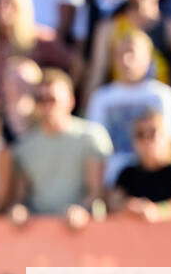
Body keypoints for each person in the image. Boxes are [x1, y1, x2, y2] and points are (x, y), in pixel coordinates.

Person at [11, 68, 113, 229]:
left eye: (52, 99)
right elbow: (20, 197)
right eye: (40, 99)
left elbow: (96, 192)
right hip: (38, 233)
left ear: (71, 101)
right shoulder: (25, 146)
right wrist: (19, 211)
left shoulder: (91, 137)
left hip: (81, 232)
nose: (46, 106)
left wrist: (81, 210)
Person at [84, 29, 171, 184]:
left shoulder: (162, 94)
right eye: (120, 54)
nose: (126, 60)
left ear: (148, 58)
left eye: (131, 53)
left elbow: (169, 143)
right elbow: (94, 148)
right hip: (110, 180)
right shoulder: (100, 98)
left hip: (153, 176)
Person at [109, 108, 171, 222]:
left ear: (166, 136)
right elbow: (113, 202)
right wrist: (130, 206)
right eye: (140, 134)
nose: (147, 139)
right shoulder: (128, 173)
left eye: (153, 133)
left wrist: (158, 211)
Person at [1, 56, 42, 145]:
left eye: (23, 81)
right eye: (13, 81)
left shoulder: (44, 121)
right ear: (4, 84)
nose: (18, 87)